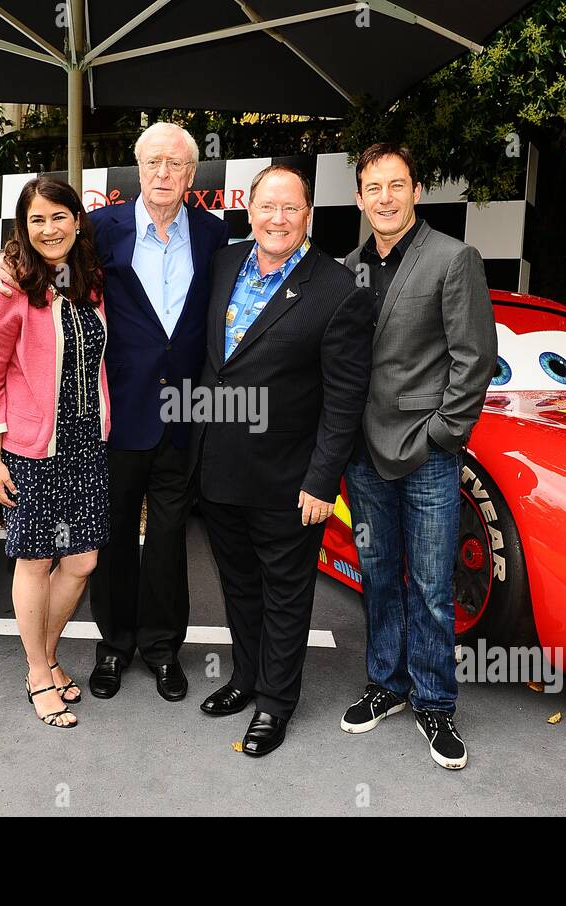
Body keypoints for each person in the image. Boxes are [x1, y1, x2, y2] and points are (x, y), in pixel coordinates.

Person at [0, 122, 230, 703]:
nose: (164, 174)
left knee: (171, 538)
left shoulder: (219, 236)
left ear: (192, 175)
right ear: (137, 170)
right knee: (113, 537)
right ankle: (114, 646)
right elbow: (45, 241)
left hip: (186, 413)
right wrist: (1, 259)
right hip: (115, 415)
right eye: (154, 164)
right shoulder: (104, 228)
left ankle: (163, 650)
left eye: (176, 165)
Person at [192, 165, 372, 757]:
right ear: (249, 211)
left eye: (290, 209)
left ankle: (275, 702)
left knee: (286, 595)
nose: (277, 219)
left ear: (309, 215)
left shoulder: (337, 289)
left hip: (290, 481)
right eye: (267, 207)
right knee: (238, 586)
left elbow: (345, 399)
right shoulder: (224, 263)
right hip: (219, 468)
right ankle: (245, 679)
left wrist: (323, 480)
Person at [338, 143, 497, 771]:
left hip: (427, 455)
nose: (385, 197)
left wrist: (442, 436)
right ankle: (388, 684)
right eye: (373, 187)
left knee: (431, 584)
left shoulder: (453, 259)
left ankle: (435, 701)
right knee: (378, 575)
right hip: (363, 457)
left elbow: (473, 358)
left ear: (417, 190)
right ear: (359, 197)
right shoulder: (348, 266)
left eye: (396, 185)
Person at [0, 175, 110, 730]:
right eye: (37, 219)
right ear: (23, 229)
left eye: (59, 216)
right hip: (32, 448)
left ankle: (48, 653)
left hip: (87, 442)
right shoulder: (11, 292)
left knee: (81, 560)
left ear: (78, 221)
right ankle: (38, 670)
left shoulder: (89, 284)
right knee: (35, 560)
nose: (49, 228)